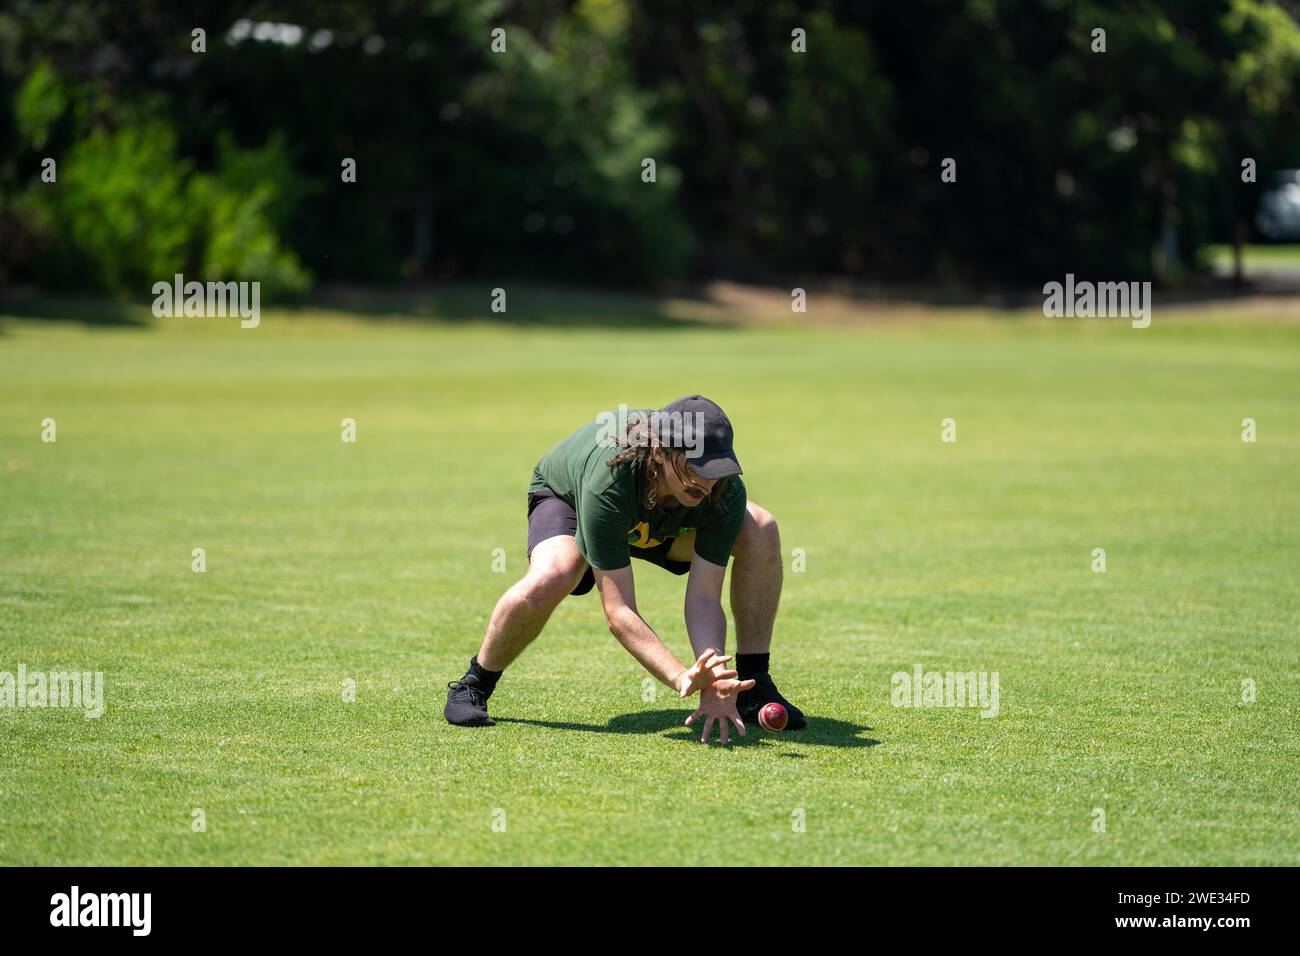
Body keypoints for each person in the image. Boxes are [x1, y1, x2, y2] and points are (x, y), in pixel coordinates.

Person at [444, 395, 805, 745]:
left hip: (659, 520)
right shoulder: (610, 479)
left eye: (717, 470)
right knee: (555, 574)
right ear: (662, 453)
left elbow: (705, 600)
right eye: (697, 470)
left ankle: (754, 685)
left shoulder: (719, 491)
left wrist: (714, 679)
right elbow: (619, 612)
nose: (708, 483)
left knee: (759, 527)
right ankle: (475, 684)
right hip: (570, 499)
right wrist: (681, 677)